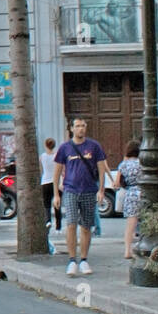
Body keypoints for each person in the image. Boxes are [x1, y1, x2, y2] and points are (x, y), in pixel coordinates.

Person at [53, 117, 108, 277]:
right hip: (70, 189)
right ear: (72, 129)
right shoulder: (65, 148)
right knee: (71, 224)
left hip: (89, 190)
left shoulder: (94, 146)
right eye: (77, 126)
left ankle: (83, 259)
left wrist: (101, 190)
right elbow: (56, 173)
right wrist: (56, 194)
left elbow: (101, 168)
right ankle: (72, 260)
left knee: (86, 226)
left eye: (83, 126)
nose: (81, 129)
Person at [114, 140, 143, 259]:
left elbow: (117, 184)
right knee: (145, 223)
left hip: (130, 194)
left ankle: (127, 250)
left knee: (130, 225)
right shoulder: (143, 163)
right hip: (144, 192)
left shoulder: (123, 165)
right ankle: (143, 246)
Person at [39, 137, 61, 239]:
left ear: (45, 145)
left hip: (45, 181)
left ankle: (48, 221)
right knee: (57, 205)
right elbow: (62, 169)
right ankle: (58, 227)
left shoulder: (42, 157)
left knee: (46, 204)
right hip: (56, 182)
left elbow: (41, 170)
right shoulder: (58, 156)